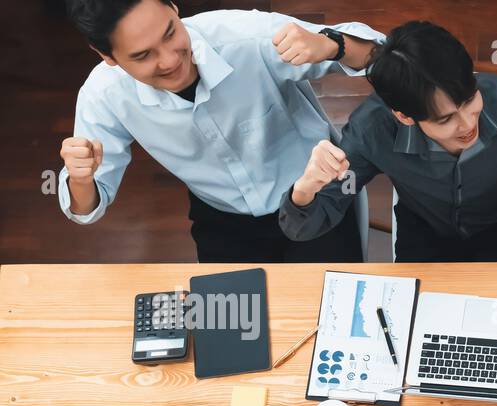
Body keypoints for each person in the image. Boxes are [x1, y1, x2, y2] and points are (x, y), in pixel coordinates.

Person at [58, 0, 383, 261]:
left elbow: (382, 54)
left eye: (170, 33)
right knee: (229, 331)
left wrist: (332, 45)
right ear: (105, 56)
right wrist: (81, 179)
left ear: (173, 8)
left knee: (332, 320)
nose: (170, 60)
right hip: (223, 216)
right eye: (143, 55)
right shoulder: (103, 94)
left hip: (316, 196)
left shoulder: (247, 37)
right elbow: (86, 208)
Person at [280, 21, 497, 261]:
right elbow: (305, 226)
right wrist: (305, 189)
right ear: (404, 117)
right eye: (446, 119)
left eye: (469, 99)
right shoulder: (372, 130)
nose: (468, 123)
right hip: (426, 239)